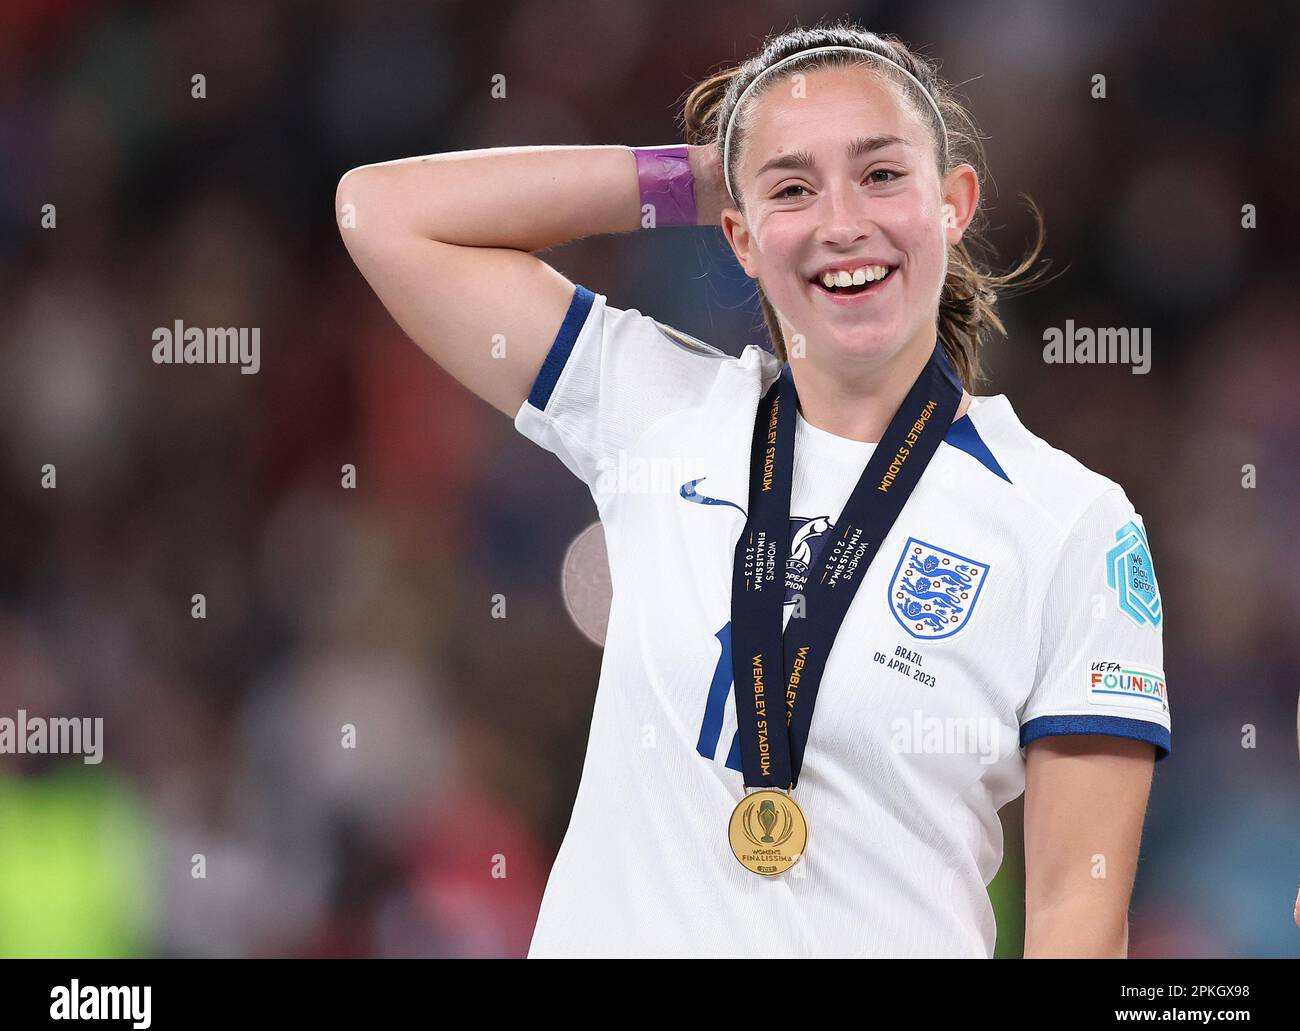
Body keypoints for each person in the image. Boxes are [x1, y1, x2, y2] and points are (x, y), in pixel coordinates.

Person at [335, 22, 1171, 958]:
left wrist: (772, 168)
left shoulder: (1071, 523)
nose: (842, 221)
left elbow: (1077, 921)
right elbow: (382, 212)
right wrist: (702, 174)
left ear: (954, 203)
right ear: (737, 235)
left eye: (883, 175)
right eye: (793, 188)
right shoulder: (657, 410)